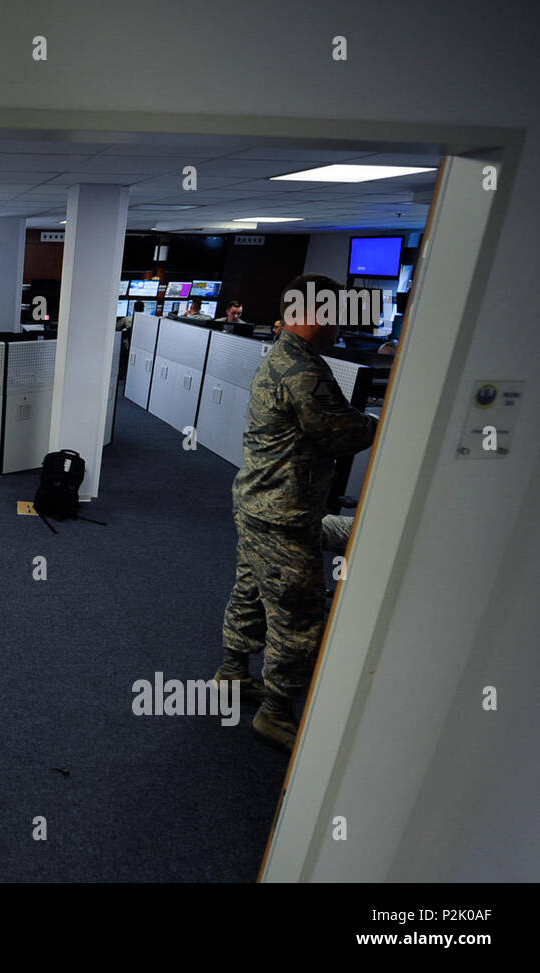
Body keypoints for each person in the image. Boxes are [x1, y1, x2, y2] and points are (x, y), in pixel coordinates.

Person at [215, 273, 379, 752]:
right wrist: (386, 420)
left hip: (260, 502)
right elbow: (343, 434)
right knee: (298, 618)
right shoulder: (302, 370)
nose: (339, 325)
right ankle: (276, 713)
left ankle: (232, 673)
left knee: (250, 588)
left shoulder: (284, 355)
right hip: (283, 512)